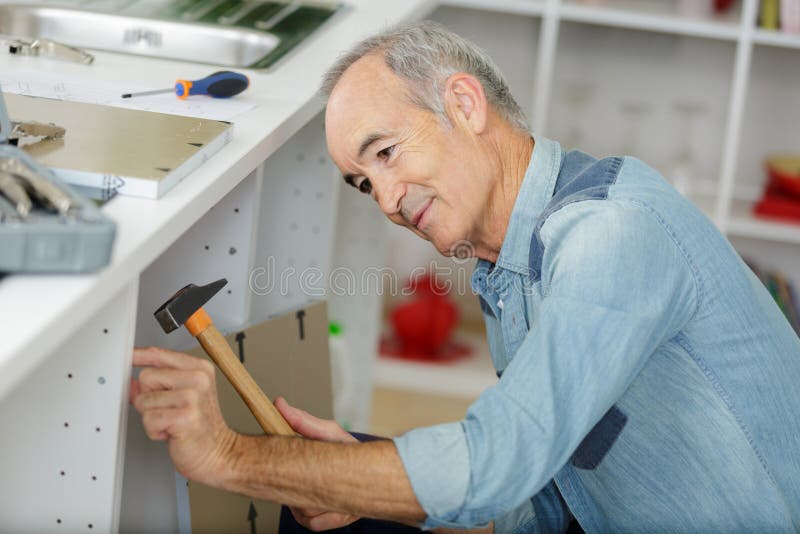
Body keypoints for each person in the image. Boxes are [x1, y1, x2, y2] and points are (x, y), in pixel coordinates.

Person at [131, 21, 800, 533]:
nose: (387, 199)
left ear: (465, 104)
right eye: (365, 184)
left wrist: (228, 457)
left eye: (387, 154)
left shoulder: (611, 235)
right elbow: (536, 500)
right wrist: (349, 478)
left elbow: (498, 465)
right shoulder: (506, 268)